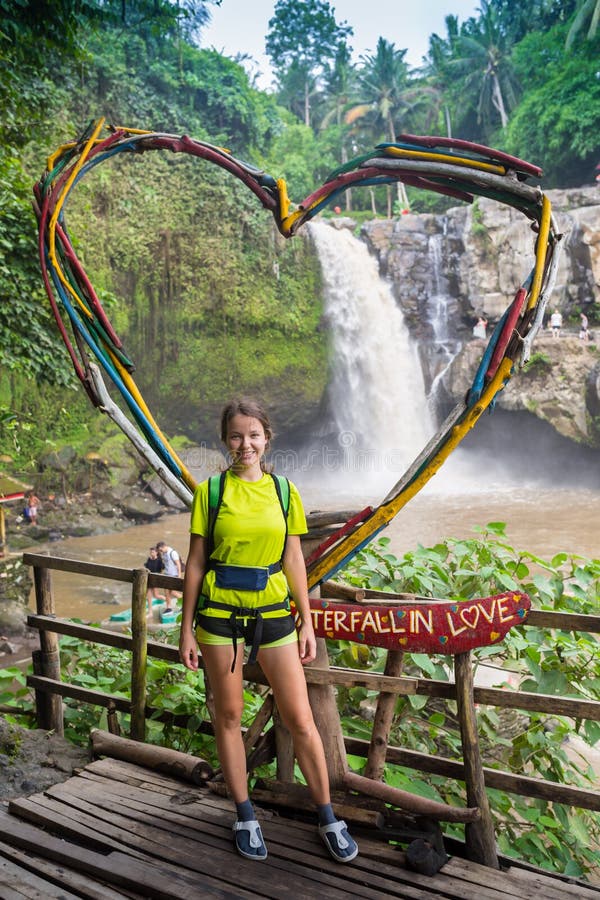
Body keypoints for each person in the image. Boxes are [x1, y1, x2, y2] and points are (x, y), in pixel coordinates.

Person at [178, 398, 358, 865]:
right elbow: (196, 563)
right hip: (219, 617)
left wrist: (307, 620)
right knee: (230, 717)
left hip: (275, 615)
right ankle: (244, 815)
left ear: (267, 438)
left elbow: (294, 559)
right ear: (225, 440)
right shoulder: (211, 492)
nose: (246, 444)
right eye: (236, 436)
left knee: (301, 719)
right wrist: (186, 630)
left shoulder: (284, 492)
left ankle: (328, 816)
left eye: (253, 435)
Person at [157, 541, 182, 612]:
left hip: (174, 575)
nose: (160, 551)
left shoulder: (172, 553)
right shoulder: (164, 553)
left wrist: (179, 575)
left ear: (164, 546)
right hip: (167, 574)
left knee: (173, 592)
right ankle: (169, 608)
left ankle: (184, 602)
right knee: (167, 592)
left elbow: (178, 564)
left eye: (161, 550)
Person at [143, 546, 164, 615]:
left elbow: (161, 570)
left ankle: (167, 600)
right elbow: (147, 568)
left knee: (156, 595)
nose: (151, 553)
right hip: (149, 579)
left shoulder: (159, 560)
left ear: (156, 553)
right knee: (149, 596)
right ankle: (150, 612)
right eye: (150, 552)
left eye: (152, 552)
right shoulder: (149, 559)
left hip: (155, 579)